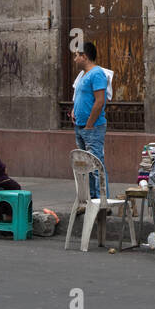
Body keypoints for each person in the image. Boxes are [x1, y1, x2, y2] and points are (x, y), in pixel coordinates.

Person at [71, 41, 109, 199]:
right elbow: (81, 97)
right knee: (85, 166)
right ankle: (92, 199)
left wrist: (89, 125)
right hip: (81, 127)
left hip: (92, 128)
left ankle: (101, 201)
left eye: (76, 56)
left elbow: (100, 101)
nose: (75, 59)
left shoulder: (97, 73)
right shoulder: (83, 75)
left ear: (84, 56)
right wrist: (74, 110)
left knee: (95, 165)